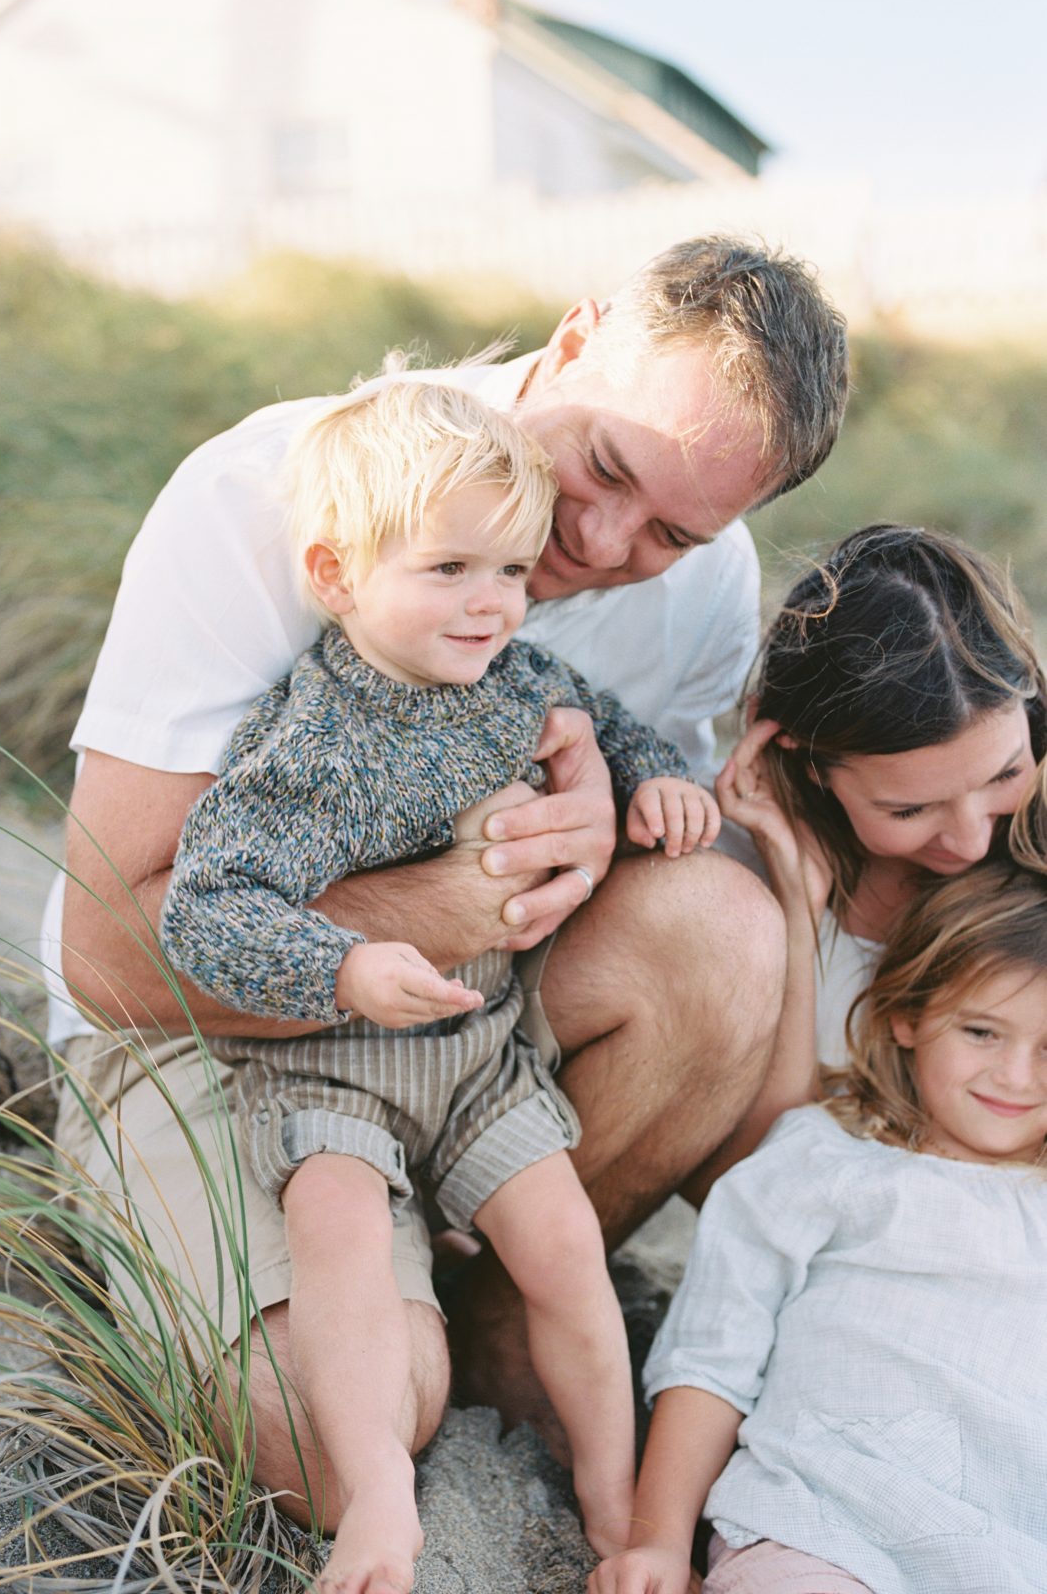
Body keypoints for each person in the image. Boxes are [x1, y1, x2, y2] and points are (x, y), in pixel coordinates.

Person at [46, 237, 848, 1514]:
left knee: (723, 930)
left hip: (473, 1045)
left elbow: (675, 853)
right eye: (601, 466)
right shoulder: (271, 497)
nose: (596, 538)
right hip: (211, 1032)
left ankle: (493, 1312)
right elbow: (108, 956)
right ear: (574, 338)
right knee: (318, 1428)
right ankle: (367, 1321)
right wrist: (459, 896)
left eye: (671, 530)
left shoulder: (706, 591)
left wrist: (612, 826)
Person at [160, 379, 720, 1586]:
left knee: (566, 1246)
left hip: (478, 1053)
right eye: (449, 568)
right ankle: (377, 1500)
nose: (491, 604)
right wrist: (342, 963)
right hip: (329, 1059)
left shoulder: (516, 680)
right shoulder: (307, 740)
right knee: (340, 1233)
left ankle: (614, 1501)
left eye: (511, 572)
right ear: (336, 571)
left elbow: (608, 724)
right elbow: (202, 910)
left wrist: (655, 781)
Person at [590, 855, 1047, 1594]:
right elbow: (712, 1355)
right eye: (982, 1032)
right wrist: (662, 1542)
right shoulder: (823, 1158)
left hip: (1013, 1549)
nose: (1016, 1076)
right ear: (907, 1015)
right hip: (822, 1524)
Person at [712, 523, 1047, 1157]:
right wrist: (797, 902)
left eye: (1005, 773)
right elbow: (755, 1174)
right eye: (910, 808)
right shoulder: (730, 872)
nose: (973, 842)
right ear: (807, 760)